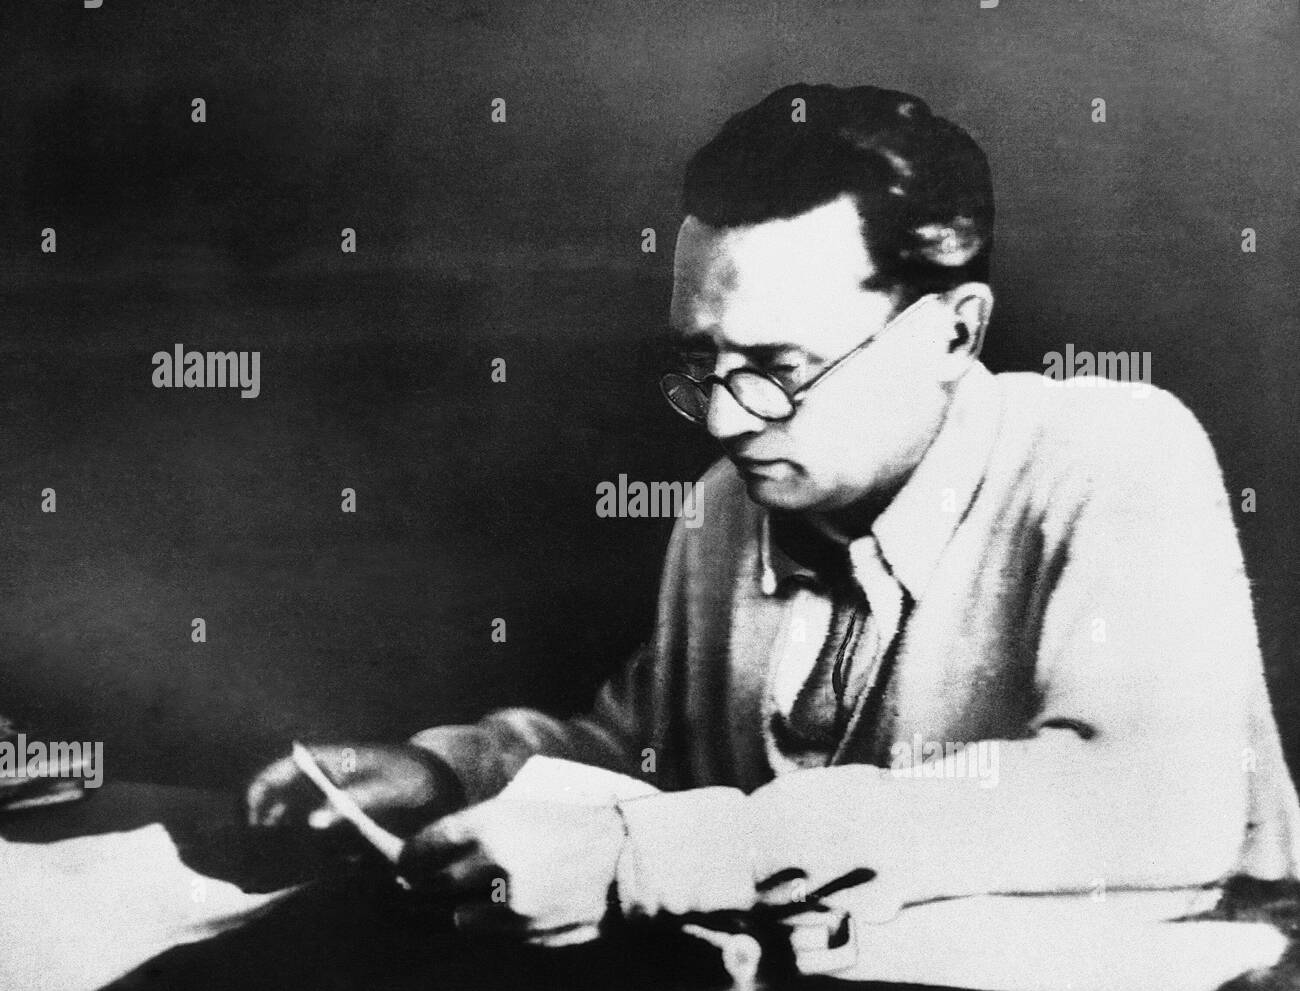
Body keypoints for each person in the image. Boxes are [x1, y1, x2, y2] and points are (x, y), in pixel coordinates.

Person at [247, 84, 1300, 945]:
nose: (721, 417)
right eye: (701, 362)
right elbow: (648, 752)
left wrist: (649, 858)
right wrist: (445, 772)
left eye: (778, 369)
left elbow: (1150, 796)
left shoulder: (1115, 449)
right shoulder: (726, 507)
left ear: (952, 332)